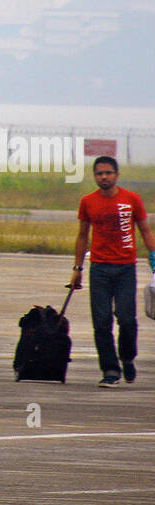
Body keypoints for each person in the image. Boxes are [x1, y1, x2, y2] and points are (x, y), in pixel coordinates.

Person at [71, 155, 155, 387]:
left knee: (127, 319)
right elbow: (82, 235)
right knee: (101, 321)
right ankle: (110, 369)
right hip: (99, 268)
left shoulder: (132, 199)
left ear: (116, 175)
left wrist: (153, 256)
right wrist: (77, 267)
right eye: (99, 173)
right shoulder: (88, 201)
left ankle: (127, 357)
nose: (104, 177)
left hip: (125, 268)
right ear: (95, 177)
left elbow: (145, 230)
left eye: (108, 172)